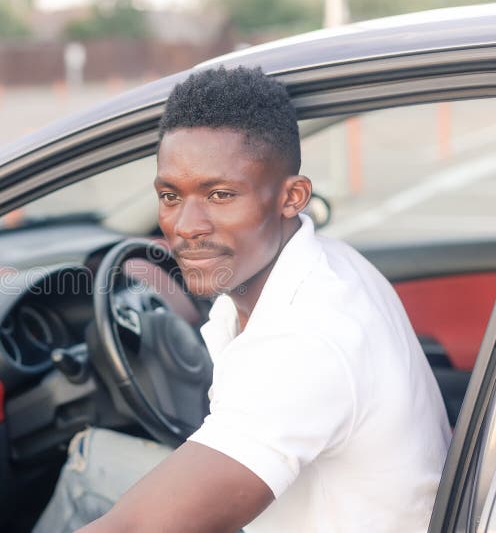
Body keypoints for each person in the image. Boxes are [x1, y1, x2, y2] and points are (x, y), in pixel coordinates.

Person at [33, 66, 451, 533]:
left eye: (220, 194)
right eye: (171, 195)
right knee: (96, 459)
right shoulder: (322, 264)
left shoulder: (306, 336)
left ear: (292, 197)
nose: (186, 225)